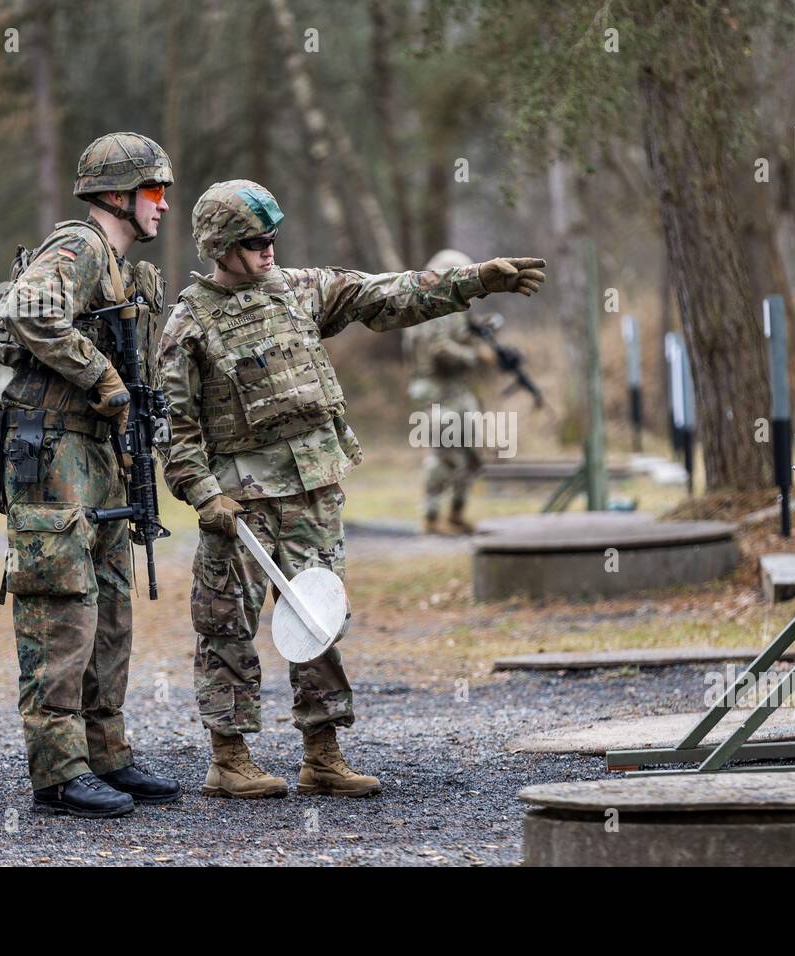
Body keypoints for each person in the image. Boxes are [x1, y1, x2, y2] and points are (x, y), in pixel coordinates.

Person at [157, 179, 545, 799]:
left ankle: (323, 752)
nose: (268, 250)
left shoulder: (301, 290)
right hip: (240, 498)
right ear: (222, 246)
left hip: (314, 487)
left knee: (319, 617)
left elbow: (385, 296)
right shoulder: (189, 323)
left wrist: (474, 281)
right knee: (227, 623)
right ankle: (229, 758)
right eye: (255, 241)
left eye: (272, 238)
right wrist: (203, 493)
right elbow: (171, 423)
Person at [0, 132, 181, 817]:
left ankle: (106, 755)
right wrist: (105, 378)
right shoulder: (78, 246)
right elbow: (30, 308)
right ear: (116, 195)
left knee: (110, 606)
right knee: (62, 607)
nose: (164, 204)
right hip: (55, 454)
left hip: (99, 454)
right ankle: (58, 774)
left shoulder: (123, 267)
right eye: (154, 190)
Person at [402, 248, 499, 534]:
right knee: (445, 454)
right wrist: (475, 355)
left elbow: (454, 339)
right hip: (434, 389)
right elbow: (438, 349)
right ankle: (432, 518)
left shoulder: (451, 308)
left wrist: (479, 337)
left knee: (472, 453)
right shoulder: (429, 306)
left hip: (456, 388)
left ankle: (456, 513)